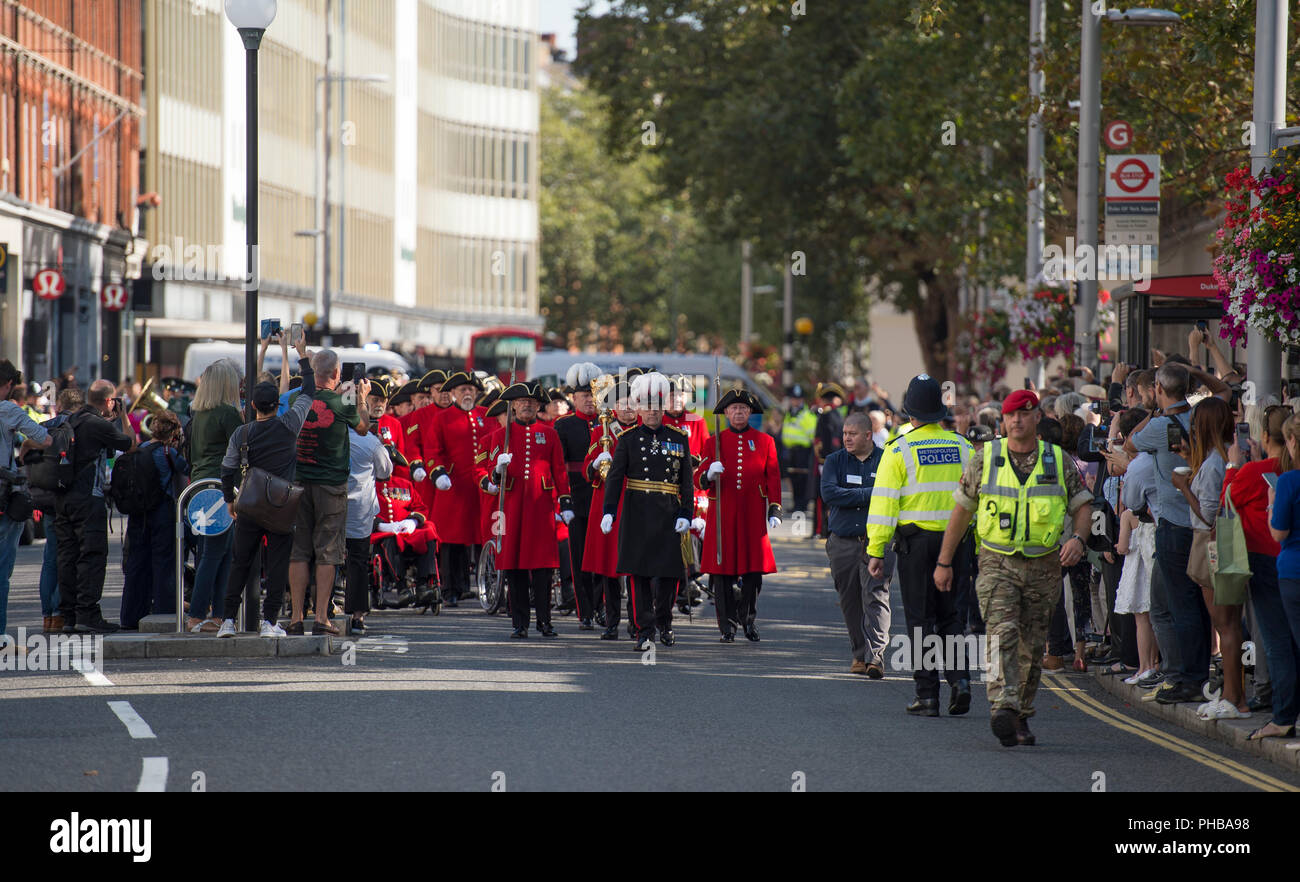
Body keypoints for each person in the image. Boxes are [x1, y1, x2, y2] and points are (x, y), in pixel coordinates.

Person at [937, 389, 1092, 746]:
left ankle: (1019, 713)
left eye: (1024, 414)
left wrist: (1079, 539)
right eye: (1010, 416)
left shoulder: (1057, 461)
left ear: (1038, 417)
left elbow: (1083, 505)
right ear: (1003, 421)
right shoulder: (985, 459)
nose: (1017, 421)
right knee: (1002, 632)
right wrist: (944, 562)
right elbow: (961, 512)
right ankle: (1002, 706)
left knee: (1033, 646)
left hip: (1044, 565)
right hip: (997, 561)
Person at [1124, 361, 1231, 705]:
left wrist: (1154, 408)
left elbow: (1129, 443)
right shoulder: (1201, 416)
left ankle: (1189, 676)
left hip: (1174, 522)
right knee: (1200, 604)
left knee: (1179, 603)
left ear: (1157, 388)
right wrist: (1192, 375)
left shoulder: (1158, 425)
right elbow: (1226, 391)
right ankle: (1198, 672)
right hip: (1204, 526)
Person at [866, 373, 973, 717]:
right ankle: (960, 682)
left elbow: (884, 504)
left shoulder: (898, 450)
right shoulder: (964, 446)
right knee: (953, 615)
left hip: (916, 546)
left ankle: (927, 695)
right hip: (958, 543)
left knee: (921, 619)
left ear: (909, 413)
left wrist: (876, 549)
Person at [217, 345, 315, 638]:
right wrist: (302, 354)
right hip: (281, 506)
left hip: (249, 504)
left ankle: (228, 621)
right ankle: (270, 622)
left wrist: (229, 500)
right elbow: (308, 391)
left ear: (253, 405)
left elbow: (226, 469)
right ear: (277, 404)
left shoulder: (241, 433)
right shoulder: (290, 424)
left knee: (241, 562)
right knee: (277, 565)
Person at [599, 372, 694, 651]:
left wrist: (686, 514)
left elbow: (686, 481)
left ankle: (664, 622)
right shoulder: (628, 439)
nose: (652, 411)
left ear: (663, 408)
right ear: (638, 407)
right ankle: (644, 630)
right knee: (638, 575)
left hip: (668, 511)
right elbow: (615, 477)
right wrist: (609, 511)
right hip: (637, 511)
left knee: (667, 574)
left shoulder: (679, 437)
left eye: (657, 406)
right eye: (647, 406)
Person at [480, 381, 575, 638]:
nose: (527, 406)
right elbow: (490, 475)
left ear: (537, 407)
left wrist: (565, 501)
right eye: (522, 402)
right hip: (511, 507)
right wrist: (498, 469)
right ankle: (519, 623)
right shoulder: (501, 436)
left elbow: (558, 470)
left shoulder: (550, 433)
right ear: (512, 406)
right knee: (514, 568)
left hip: (540, 507)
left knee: (543, 569)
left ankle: (545, 621)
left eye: (532, 403)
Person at [1170, 397, 1246, 719]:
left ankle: (1234, 698)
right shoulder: (1215, 459)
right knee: (1224, 623)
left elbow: (1209, 517)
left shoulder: (1215, 463)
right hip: (1215, 543)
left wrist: (1183, 488)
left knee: (1225, 624)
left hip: (1213, 543)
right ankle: (1231, 695)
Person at [695, 388, 781, 643]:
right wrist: (708, 473)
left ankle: (748, 618)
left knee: (753, 572)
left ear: (750, 412)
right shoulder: (714, 442)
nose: (738, 412)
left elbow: (773, 477)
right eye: (734, 408)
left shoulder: (765, 441)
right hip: (723, 513)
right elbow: (697, 477)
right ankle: (727, 626)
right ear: (726, 412)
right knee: (721, 573)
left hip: (752, 513)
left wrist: (774, 507)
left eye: (743, 408)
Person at [1228, 407, 1293, 740]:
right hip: (1287, 564)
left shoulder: (1256, 472)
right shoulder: (1290, 472)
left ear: (1266, 437)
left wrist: (1232, 465)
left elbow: (1227, 501)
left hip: (1266, 562)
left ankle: (1283, 713)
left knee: (1276, 641)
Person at [289, 349, 364, 636]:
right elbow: (363, 427)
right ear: (336, 373)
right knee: (328, 552)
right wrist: (362, 398)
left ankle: (296, 617)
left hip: (298, 483)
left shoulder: (298, 397)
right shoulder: (342, 399)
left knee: (298, 551)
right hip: (331, 486)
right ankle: (321, 617)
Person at [54, 379, 133, 634]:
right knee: (92, 556)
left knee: (68, 556)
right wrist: (125, 417)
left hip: (63, 499)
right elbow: (130, 444)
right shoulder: (97, 423)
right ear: (109, 401)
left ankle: (68, 615)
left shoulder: (72, 420)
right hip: (89, 499)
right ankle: (87, 614)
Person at [820, 412, 891, 676]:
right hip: (843, 542)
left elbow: (893, 494)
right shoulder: (834, 460)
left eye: (852, 434)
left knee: (876, 597)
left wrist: (850, 496)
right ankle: (859, 654)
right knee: (849, 599)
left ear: (868, 435)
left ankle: (876, 657)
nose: (846, 438)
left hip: (877, 540)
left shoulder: (886, 459)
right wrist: (872, 494)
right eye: (845, 434)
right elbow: (829, 493)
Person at [186, 357, 246, 631]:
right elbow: (242, 452)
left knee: (216, 552)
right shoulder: (229, 413)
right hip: (222, 488)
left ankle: (217, 614)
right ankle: (198, 614)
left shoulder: (198, 413)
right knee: (215, 554)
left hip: (200, 486)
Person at [120, 410, 190, 630]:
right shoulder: (168, 452)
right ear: (173, 433)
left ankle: (130, 616)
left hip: (138, 514)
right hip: (162, 511)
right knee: (164, 563)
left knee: (136, 564)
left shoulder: (139, 449)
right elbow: (185, 469)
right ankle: (163, 612)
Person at [425, 371, 487, 607]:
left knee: (479, 537)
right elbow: (432, 450)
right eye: (463, 390)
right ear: (453, 393)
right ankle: (450, 588)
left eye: (471, 390)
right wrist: (438, 471)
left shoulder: (484, 416)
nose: (468, 393)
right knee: (452, 541)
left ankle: (476, 584)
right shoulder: (443, 418)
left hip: (480, 487)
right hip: (453, 487)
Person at [0, 360, 51, 638]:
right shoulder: (8, 409)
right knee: (1, 573)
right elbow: (44, 439)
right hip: (3, 498)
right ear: (8, 385)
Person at [584, 381, 638, 639]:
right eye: (622, 404)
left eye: (632, 403)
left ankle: (637, 620)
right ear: (614, 407)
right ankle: (612, 621)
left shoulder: (644, 430)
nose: (628, 408)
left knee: (637, 568)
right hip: (609, 502)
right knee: (610, 568)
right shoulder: (601, 431)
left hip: (637, 501)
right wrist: (596, 463)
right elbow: (588, 469)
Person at [554, 362, 604, 630]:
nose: (590, 401)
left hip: (604, 498)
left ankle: (601, 606)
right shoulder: (563, 426)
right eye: (585, 396)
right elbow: (558, 467)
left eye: (594, 395)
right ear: (573, 398)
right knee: (581, 558)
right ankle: (585, 611)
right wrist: (563, 499)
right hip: (578, 498)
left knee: (604, 559)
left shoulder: (607, 424)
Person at [346, 411, 393, 633]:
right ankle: (357, 616)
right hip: (360, 510)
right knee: (358, 562)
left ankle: (321, 611)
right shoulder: (370, 441)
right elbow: (386, 471)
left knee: (325, 560)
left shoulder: (331, 436)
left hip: (331, 505)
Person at [1269, 414, 1300, 738]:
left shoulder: (1289, 481)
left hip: (1293, 572)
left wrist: (1270, 506)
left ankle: (1286, 716)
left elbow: (1279, 533)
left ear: (1291, 442)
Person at [780, 385, 817, 514]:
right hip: (791, 450)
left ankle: (802, 505)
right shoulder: (790, 413)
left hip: (803, 451)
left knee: (802, 479)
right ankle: (796, 503)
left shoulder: (807, 415)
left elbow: (813, 435)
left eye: (798, 399)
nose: (795, 401)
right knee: (793, 478)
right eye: (793, 398)